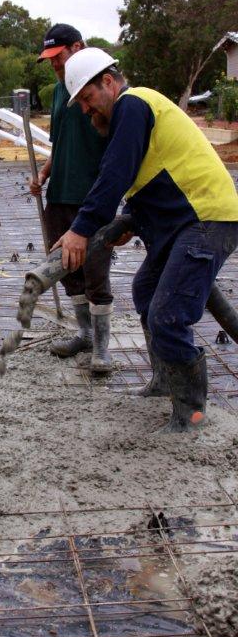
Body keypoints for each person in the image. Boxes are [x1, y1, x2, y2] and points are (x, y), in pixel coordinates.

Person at [54, 47, 238, 432]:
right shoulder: (133, 115)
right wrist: (130, 221)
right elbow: (156, 180)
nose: (88, 112)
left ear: (108, 82)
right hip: (185, 220)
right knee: (146, 290)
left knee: (167, 316)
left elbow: (115, 174)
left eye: (88, 100)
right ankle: (164, 381)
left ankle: (193, 415)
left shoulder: (132, 104)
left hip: (207, 217)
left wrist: (82, 229)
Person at [32, 24, 113, 372]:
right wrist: (44, 175)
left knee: (95, 270)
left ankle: (102, 349)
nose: (54, 65)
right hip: (60, 193)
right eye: (48, 59)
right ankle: (83, 333)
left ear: (76, 47)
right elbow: (59, 142)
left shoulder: (101, 87)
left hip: (91, 197)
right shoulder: (56, 91)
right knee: (68, 270)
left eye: (58, 56)